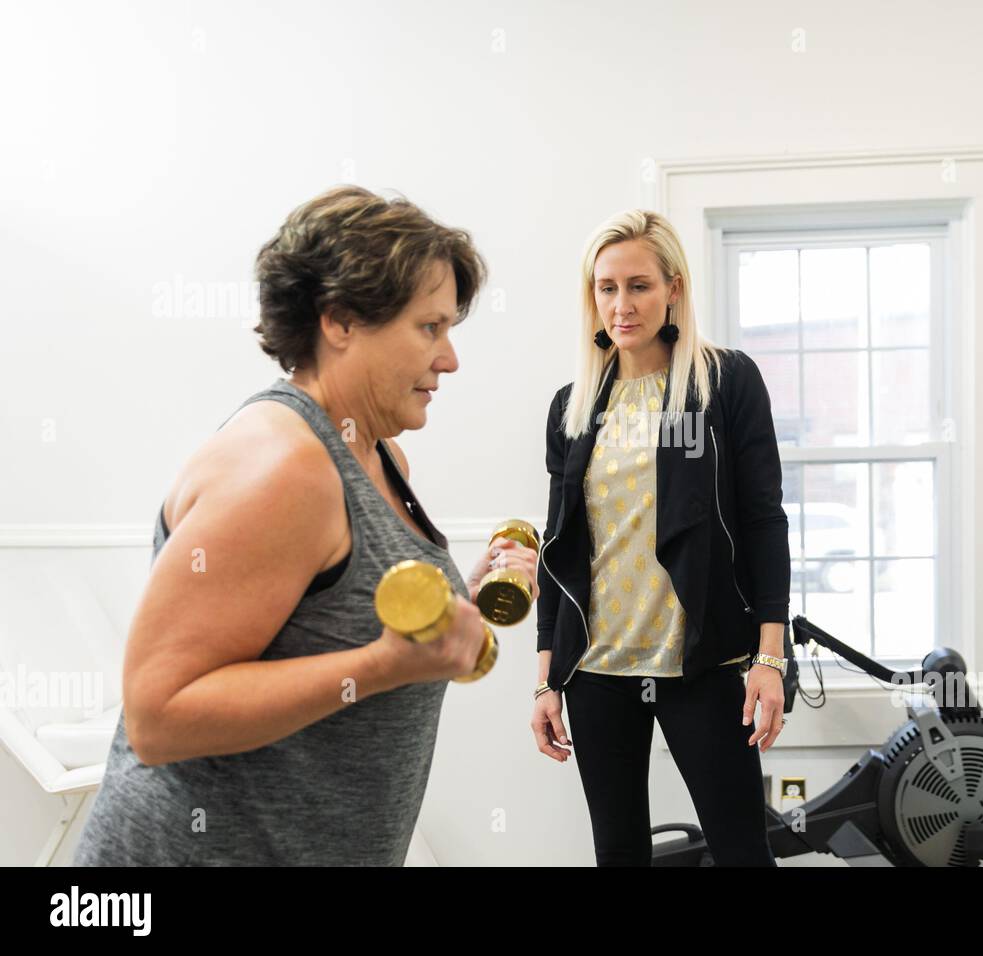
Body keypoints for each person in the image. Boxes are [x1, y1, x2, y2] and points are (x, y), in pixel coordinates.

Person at [75, 185, 537, 865]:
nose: (450, 358)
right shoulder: (284, 467)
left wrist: (453, 610)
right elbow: (158, 715)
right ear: (341, 321)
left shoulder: (378, 455)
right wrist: (382, 666)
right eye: (429, 328)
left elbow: (335, 622)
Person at [529, 209, 791, 866]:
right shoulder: (573, 404)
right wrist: (545, 679)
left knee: (741, 851)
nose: (622, 304)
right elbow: (558, 548)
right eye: (606, 286)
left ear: (673, 287)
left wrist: (770, 656)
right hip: (596, 669)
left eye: (639, 285)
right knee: (619, 853)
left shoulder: (725, 382)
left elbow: (764, 521)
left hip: (699, 663)